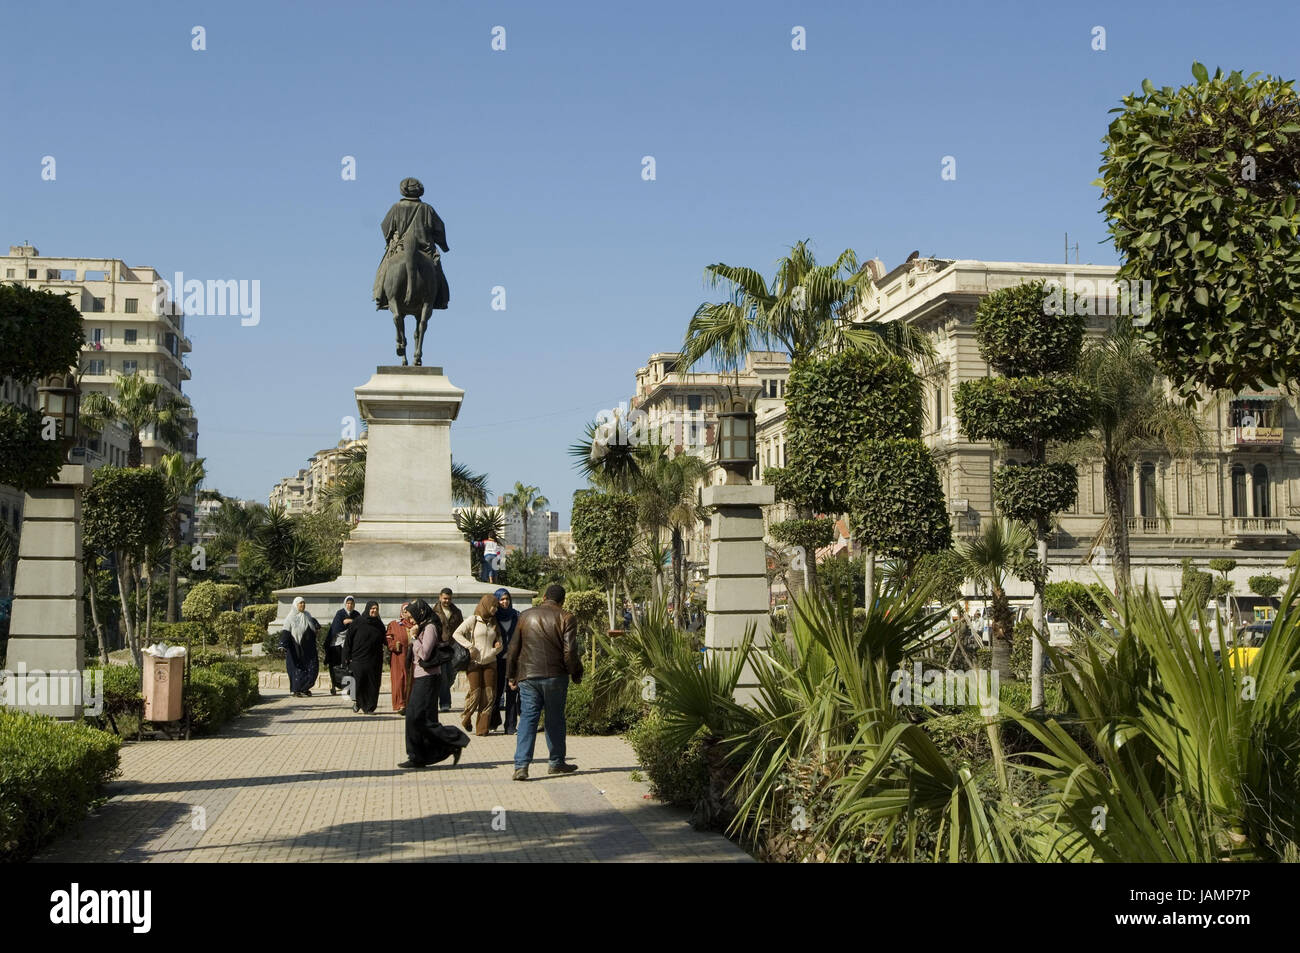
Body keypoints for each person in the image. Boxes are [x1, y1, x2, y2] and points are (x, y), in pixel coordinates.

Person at [506, 584, 583, 780]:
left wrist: (511, 675)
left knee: (528, 719)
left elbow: (513, 648)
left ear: (544, 597)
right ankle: (556, 762)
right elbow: (570, 652)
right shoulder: (566, 617)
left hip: (528, 676)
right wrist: (575, 672)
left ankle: (521, 766)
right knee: (555, 719)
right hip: (555, 677)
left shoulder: (525, 616)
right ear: (562, 601)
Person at [399, 598, 470, 769]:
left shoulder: (429, 628)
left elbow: (424, 653)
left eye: (412, 615)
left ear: (420, 613)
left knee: (417, 717)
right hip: (423, 677)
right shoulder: (425, 625)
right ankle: (420, 755)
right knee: (421, 718)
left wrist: (414, 638)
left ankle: (454, 738)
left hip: (428, 678)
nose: (411, 620)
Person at [453, 594, 503, 736]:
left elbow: (499, 640)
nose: (495, 609)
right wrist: (470, 646)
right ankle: (467, 717)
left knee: (489, 696)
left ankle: (482, 729)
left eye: (496, 607)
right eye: (493, 606)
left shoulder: (494, 622)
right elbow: (456, 634)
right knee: (475, 693)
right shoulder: (473, 619)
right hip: (474, 663)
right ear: (486, 605)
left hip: (491, 662)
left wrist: (496, 649)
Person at [344, 600, 386, 714]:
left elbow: (385, 639)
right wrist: (346, 657)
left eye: (376, 609)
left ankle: (369, 707)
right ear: (367, 609)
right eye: (372, 608)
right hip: (358, 659)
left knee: (373, 684)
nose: (374, 611)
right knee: (360, 684)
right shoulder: (358, 622)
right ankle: (359, 702)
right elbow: (348, 640)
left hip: (374, 660)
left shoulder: (379, 624)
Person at [279, 597, 320, 697]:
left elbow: (313, 625)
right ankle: (296, 690)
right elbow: (286, 632)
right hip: (295, 648)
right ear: (295, 605)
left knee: (312, 669)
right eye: (300, 603)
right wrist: (282, 645)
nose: (302, 605)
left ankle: (305, 688)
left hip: (309, 649)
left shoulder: (307, 615)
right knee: (297, 670)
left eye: (303, 603)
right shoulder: (290, 617)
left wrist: (316, 626)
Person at [493, 588, 521, 734]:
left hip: (513, 661)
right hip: (497, 660)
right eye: (502, 599)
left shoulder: (516, 615)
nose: (505, 602)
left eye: (507, 599)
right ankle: (493, 721)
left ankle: (510, 726)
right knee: (496, 693)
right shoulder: (493, 616)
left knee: (512, 692)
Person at [432, 588, 464, 712]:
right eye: (445, 598)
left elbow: (462, 628)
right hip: (440, 648)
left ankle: (442, 695)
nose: (447, 601)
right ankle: (445, 703)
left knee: (451, 675)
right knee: (444, 677)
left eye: (449, 598)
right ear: (440, 597)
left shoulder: (457, 612)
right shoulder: (434, 612)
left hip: (454, 647)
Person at [325, 596, 359, 696]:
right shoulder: (340, 613)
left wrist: (351, 621)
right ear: (345, 604)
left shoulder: (356, 614)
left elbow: (359, 625)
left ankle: (347, 686)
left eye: (352, 603)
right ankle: (334, 685)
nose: (350, 605)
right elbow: (336, 627)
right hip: (337, 644)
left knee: (348, 666)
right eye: (348, 603)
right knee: (335, 665)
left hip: (350, 645)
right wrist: (348, 623)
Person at [386, 601, 414, 713]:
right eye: (405, 611)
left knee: (412, 679)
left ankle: (410, 703)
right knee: (399, 680)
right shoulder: (394, 624)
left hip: (413, 657)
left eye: (409, 611)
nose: (407, 613)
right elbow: (388, 639)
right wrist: (394, 646)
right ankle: (400, 704)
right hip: (399, 657)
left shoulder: (416, 625)